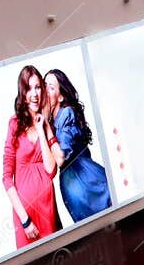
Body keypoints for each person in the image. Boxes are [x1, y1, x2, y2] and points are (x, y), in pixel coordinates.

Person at [44, 68, 111, 223]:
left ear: (60, 97)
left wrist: (46, 128)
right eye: (44, 85)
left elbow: (61, 157)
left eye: (51, 87)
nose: (46, 90)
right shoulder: (52, 123)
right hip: (75, 189)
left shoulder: (66, 113)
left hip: (87, 184)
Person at [3, 64, 59, 248]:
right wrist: (25, 220)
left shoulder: (46, 126)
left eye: (37, 87)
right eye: (29, 88)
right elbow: (6, 179)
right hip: (25, 217)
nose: (34, 94)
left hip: (47, 211)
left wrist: (42, 129)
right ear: (22, 92)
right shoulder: (14, 125)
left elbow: (51, 170)